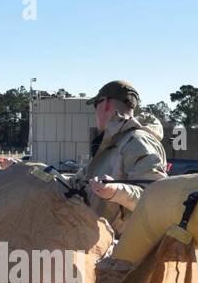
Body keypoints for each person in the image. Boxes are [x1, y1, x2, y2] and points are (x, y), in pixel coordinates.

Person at [71, 80, 167, 234]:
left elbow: (156, 198)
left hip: (121, 250)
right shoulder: (111, 143)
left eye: (96, 105)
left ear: (106, 103)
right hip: (99, 243)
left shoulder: (137, 141)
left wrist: (115, 191)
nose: (95, 112)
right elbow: (77, 183)